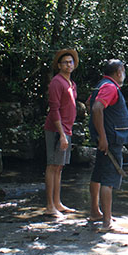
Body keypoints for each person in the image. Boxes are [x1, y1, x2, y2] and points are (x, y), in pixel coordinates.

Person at [88, 59, 128, 233]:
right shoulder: (110, 87)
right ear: (119, 71)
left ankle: (95, 212)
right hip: (111, 140)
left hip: (107, 139)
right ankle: (107, 222)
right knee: (109, 180)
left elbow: (90, 102)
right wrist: (103, 136)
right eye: (124, 70)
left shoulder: (101, 85)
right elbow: (97, 108)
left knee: (98, 175)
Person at [43, 48, 78, 217]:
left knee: (59, 167)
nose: (68, 64)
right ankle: (50, 206)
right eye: (65, 62)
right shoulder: (57, 82)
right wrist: (62, 134)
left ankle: (57, 202)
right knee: (52, 166)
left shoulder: (71, 83)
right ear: (59, 65)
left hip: (66, 129)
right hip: (56, 130)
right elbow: (54, 109)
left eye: (71, 62)